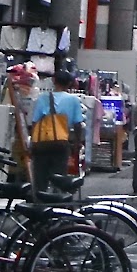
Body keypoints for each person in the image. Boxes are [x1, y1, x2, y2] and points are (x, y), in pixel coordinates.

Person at [29, 67, 85, 196]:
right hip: (61, 144)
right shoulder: (74, 100)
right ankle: (57, 204)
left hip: (42, 145)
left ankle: (40, 205)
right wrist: (77, 143)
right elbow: (78, 124)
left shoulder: (43, 98)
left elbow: (35, 122)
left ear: (54, 81)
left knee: (40, 178)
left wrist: (32, 141)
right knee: (59, 177)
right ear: (70, 83)